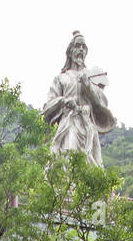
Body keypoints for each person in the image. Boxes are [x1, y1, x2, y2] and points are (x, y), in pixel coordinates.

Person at [43, 31, 117, 167]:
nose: (81, 50)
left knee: (93, 165)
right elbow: (48, 104)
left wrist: (88, 87)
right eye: (78, 46)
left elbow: (101, 102)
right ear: (70, 51)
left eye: (84, 47)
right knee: (69, 157)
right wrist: (64, 101)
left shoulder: (91, 77)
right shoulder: (61, 78)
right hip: (69, 123)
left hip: (88, 124)